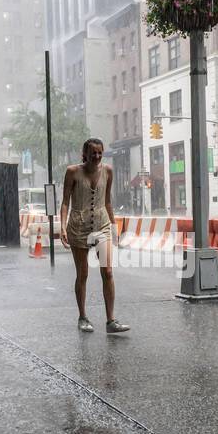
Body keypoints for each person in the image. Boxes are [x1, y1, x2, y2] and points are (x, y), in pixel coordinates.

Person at [60, 138, 130, 334]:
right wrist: (62, 226)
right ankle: (83, 317)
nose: (97, 156)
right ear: (85, 154)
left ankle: (111, 321)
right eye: (93, 153)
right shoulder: (72, 172)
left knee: (107, 272)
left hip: (102, 225)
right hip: (78, 226)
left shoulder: (108, 171)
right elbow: (65, 201)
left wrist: (114, 226)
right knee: (82, 274)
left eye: (100, 153)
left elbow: (107, 201)